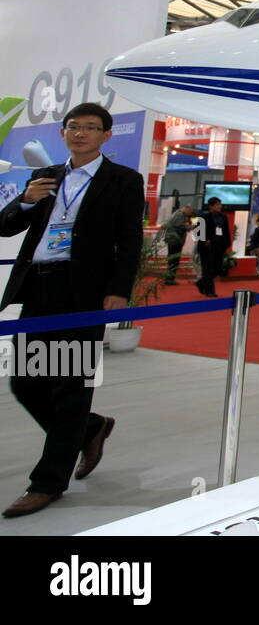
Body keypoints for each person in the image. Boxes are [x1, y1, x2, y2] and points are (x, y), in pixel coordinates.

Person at [0, 103, 143, 519]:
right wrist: (26, 201)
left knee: (69, 389)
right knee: (25, 383)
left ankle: (47, 483)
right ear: (63, 133)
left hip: (84, 294)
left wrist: (118, 290)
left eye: (90, 128)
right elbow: (6, 226)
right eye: (74, 127)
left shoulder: (122, 181)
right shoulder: (45, 178)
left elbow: (130, 240)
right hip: (39, 287)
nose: (80, 133)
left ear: (105, 136)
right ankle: (91, 428)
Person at [195, 197, 230, 298]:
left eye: (220, 204)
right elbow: (197, 232)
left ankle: (201, 283)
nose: (220, 206)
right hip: (207, 248)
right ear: (211, 206)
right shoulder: (203, 217)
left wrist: (227, 244)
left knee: (218, 269)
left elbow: (226, 231)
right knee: (208, 270)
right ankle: (210, 291)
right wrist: (205, 240)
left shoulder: (223, 217)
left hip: (219, 247)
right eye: (217, 205)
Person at [162, 204, 194, 285]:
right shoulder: (179, 214)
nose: (190, 214)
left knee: (173, 260)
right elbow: (179, 225)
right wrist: (190, 227)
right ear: (186, 208)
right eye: (190, 212)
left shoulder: (178, 214)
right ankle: (169, 280)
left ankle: (170, 279)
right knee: (174, 260)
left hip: (174, 240)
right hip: (175, 240)